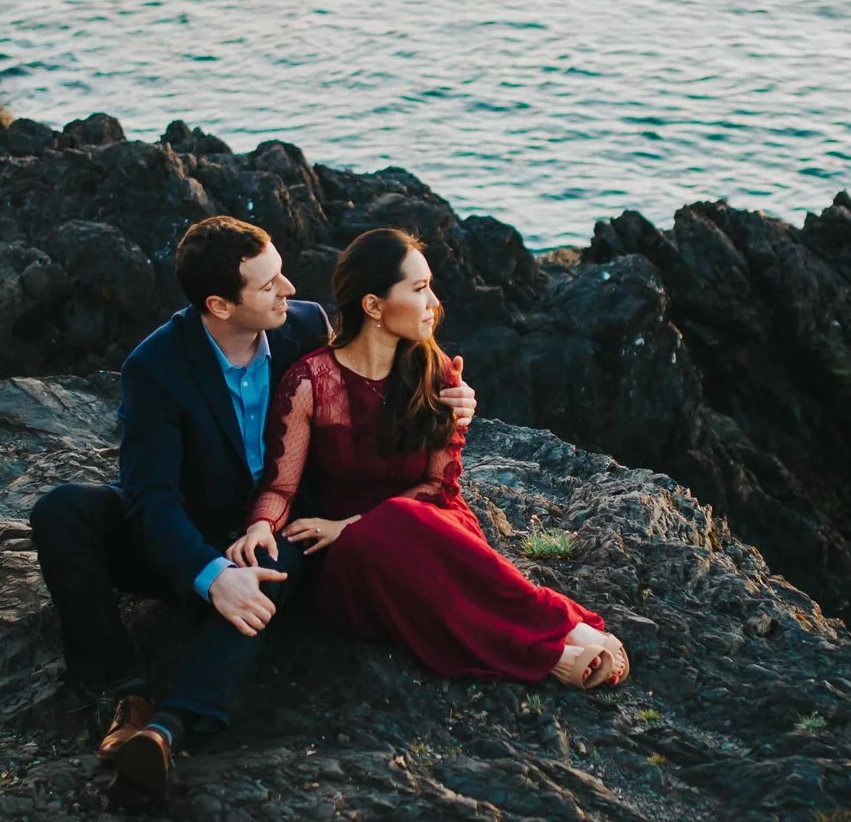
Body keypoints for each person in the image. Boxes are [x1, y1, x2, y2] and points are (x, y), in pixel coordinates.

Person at [28, 215, 477, 799]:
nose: (289, 290)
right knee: (61, 511)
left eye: (282, 274)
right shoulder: (155, 367)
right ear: (218, 304)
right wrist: (211, 576)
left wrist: (450, 400)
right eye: (269, 286)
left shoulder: (306, 326)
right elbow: (150, 497)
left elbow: (378, 373)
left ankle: (170, 728)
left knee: (268, 566)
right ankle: (125, 692)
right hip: (189, 537)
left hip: (286, 527)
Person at [230, 227, 628, 689]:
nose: (434, 302)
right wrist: (261, 524)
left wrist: (352, 522)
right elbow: (281, 487)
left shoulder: (436, 371)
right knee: (388, 534)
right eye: (419, 289)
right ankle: (552, 646)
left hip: (435, 525)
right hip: (354, 560)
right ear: (374, 306)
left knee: (403, 518)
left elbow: (437, 488)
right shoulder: (311, 382)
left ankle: (557, 629)